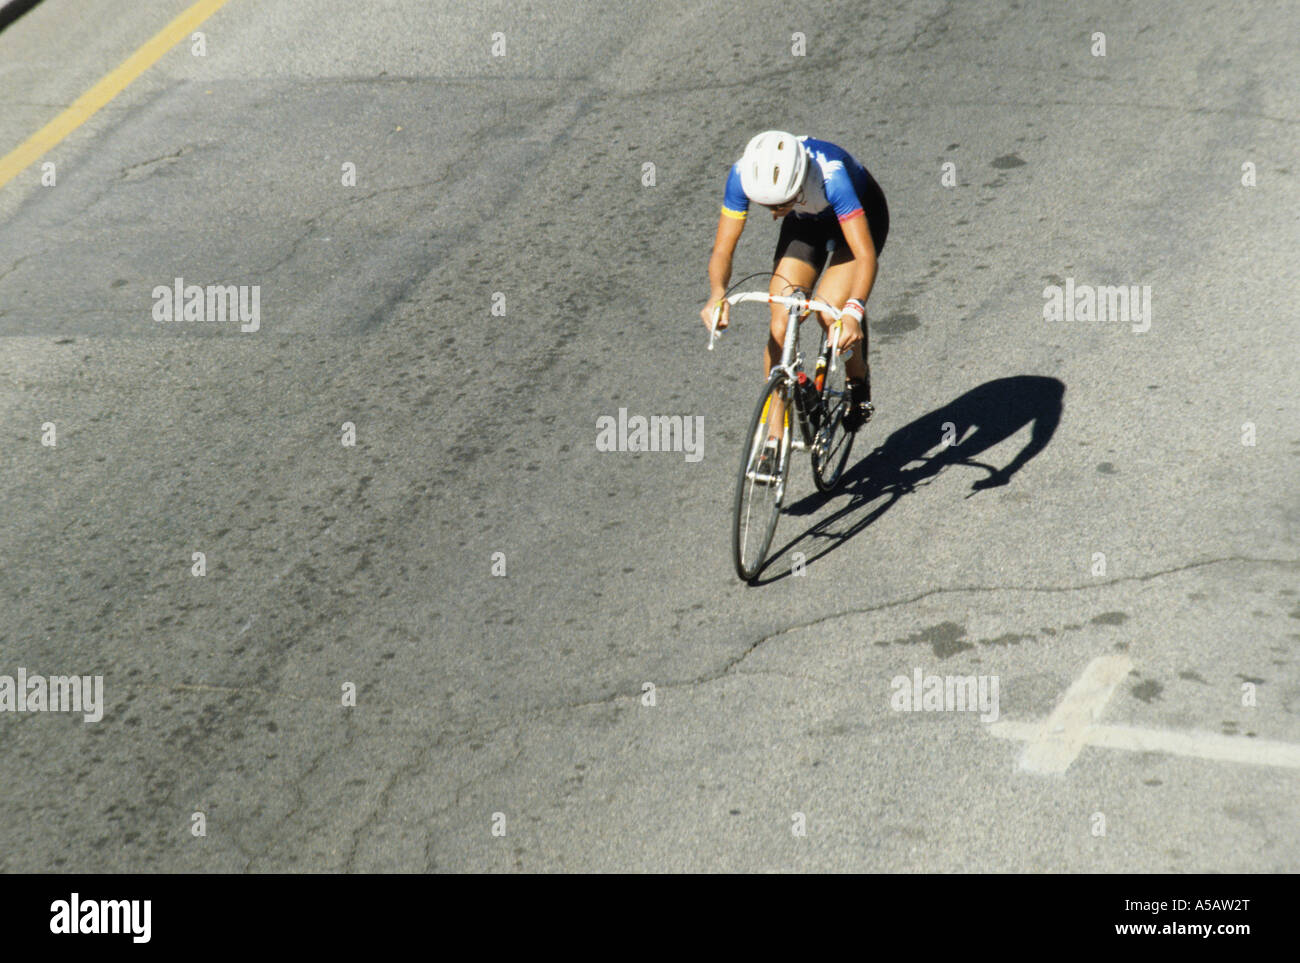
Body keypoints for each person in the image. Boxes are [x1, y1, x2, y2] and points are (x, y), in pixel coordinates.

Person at [701, 131, 889, 467]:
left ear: (799, 182)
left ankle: (857, 379)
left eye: (779, 206)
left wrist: (853, 311)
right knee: (780, 319)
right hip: (805, 222)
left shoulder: (833, 176)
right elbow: (722, 249)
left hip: (861, 221)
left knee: (830, 312)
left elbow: (865, 257)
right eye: (766, 206)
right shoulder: (743, 173)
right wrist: (717, 294)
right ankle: (775, 438)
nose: (773, 214)